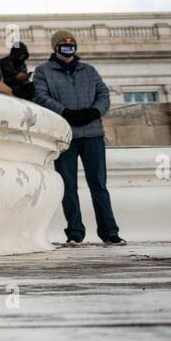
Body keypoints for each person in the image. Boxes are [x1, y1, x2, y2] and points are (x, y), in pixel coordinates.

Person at [33, 29, 126, 246]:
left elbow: (103, 94)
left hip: (93, 134)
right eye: (63, 43)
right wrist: (65, 112)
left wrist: (95, 111)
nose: (68, 45)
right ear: (55, 47)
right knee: (68, 186)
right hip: (65, 135)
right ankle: (74, 232)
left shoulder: (89, 70)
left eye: (71, 42)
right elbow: (40, 95)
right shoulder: (43, 71)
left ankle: (109, 232)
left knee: (99, 185)